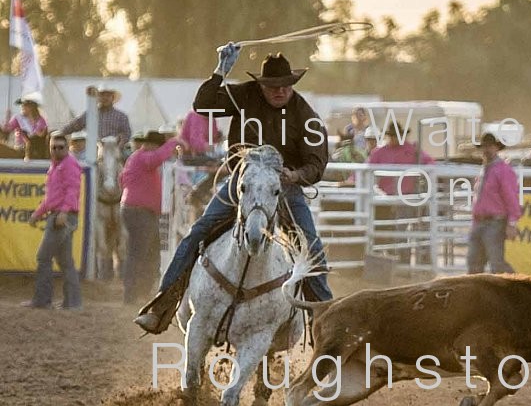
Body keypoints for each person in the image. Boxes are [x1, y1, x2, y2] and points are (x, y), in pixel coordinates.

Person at [133, 48, 333, 333]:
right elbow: (203, 104)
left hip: (283, 188)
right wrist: (220, 71)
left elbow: (316, 162)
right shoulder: (245, 95)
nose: (279, 91)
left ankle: (325, 319)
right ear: (262, 85)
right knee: (197, 232)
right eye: (273, 86)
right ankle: (162, 305)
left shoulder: (305, 115)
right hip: (243, 182)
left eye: (285, 85)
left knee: (310, 245)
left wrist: (296, 174)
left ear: (292, 84)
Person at [119, 128, 185, 303]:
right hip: (141, 211)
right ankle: (134, 293)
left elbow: (122, 180)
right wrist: (174, 142)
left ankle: (139, 291)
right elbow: (156, 158)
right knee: (141, 252)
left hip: (136, 209)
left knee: (146, 252)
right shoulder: (144, 158)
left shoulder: (136, 159)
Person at [26, 132, 84, 309]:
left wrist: (63, 213)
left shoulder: (68, 165)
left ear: (67, 148)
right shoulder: (57, 166)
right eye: (54, 147)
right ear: (49, 148)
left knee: (43, 257)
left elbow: (72, 190)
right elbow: (51, 198)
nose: (57, 150)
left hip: (62, 216)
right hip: (61, 214)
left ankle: (42, 300)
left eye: (61, 147)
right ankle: (72, 302)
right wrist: (38, 213)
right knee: (65, 261)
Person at [469, 130, 522, 274]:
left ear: (496, 148)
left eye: (490, 146)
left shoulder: (503, 170)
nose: (487, 150)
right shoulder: (485, 170)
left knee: (496, 263)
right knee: (474, 263)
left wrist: (512, 223)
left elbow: (511, 197)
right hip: (481, 221)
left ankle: (516, 287)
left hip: (494, 222)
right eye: (485, 147)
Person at [58, 86, 131, 146]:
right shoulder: (90, 114)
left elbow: (126, 133)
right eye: (102, 95)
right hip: (92, 150)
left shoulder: (121, 116)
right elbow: (74, 125)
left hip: (113, 149)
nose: (105, 98)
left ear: (112, 97)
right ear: (98, 97)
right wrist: (59, 134)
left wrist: (120, 143)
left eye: (108, 95)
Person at [4, 91, 49, 158]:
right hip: (19, 148)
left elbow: (41, 135)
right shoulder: (17, 118)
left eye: (25, 104)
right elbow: (6, 130)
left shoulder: (41, 120)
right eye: (22, 105)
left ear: (32, 106)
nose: (22, 106)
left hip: (35, 149)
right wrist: (7, 118)